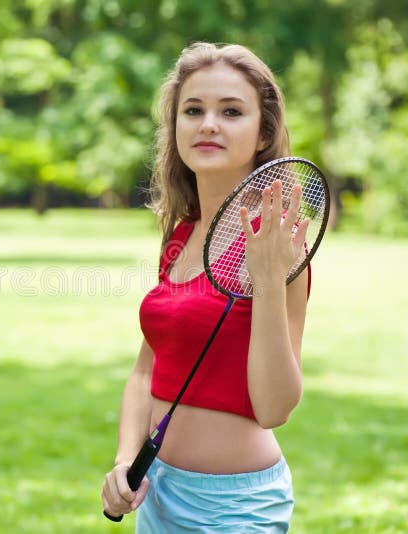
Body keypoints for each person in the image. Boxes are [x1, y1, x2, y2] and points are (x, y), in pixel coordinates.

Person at [100, 42, 311, 532]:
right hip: (158, 491)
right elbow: (145, 370)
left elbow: (274, 408)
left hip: (236, 508)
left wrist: (269, 282)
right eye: (193, 110)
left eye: (231, 111)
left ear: (263, 133)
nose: (208, 124)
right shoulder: (181, 235)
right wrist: (125, 461)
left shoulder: (278, 243)